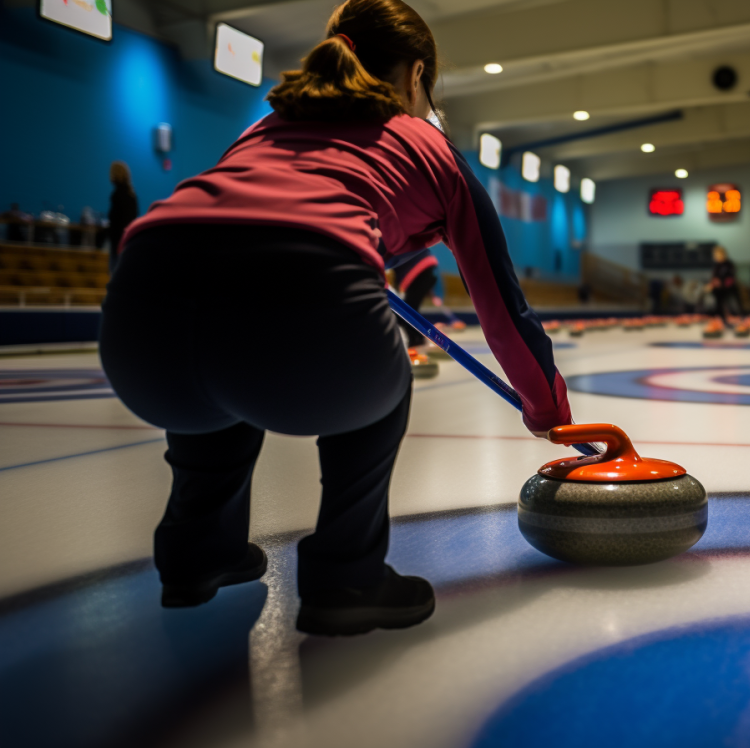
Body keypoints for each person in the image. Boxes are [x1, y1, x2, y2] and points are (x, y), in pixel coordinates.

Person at [98, 0, 573, 637]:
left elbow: (226, 227)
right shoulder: (428, 144)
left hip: (140, 326)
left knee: (218, 368)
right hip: (303, 315)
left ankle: (196, 554)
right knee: (385, 376)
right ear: (415, 76)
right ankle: (346, 574)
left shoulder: (263, 128)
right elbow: (501, 307)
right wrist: (549, 413)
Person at [388, 247, 438, 348]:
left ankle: (416, 340)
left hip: (418, 268)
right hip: (428, 264)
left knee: (407, 311)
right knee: (410, 309)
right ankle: (417, 339)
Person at [107, 162, 139, 274]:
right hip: (129, 240)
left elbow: (115, 221)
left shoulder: (117, 195)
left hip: (118, 241)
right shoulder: (132, 195)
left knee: (115, 273)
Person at [708, 245, 744, 324]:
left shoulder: (729, 264)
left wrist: (722, 284)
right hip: (719, 292)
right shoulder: (716, 266)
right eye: (714, 254)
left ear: (723, 254)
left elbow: (731, 278)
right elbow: (714, 277)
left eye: (717, 254)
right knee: (718, 307)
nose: (715, 256)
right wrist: (712, 284)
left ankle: (737, 321)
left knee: (733, 307)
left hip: (730, 290)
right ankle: (721, 321)